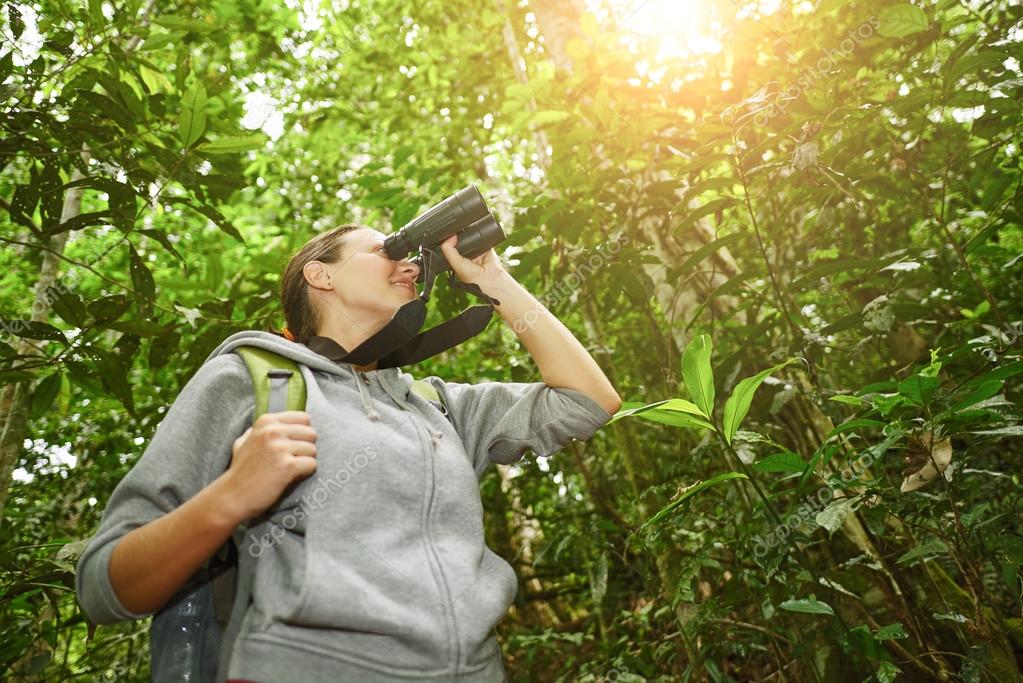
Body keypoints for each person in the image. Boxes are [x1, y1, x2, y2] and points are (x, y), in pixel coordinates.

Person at [75, 223, 622, 682]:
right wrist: (231, 497)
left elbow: (589, 401)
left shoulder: (437, 407)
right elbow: (106, 586)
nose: (410, 267)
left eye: (411, 259)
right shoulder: (251, 377)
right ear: (321, 274)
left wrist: (491, 277)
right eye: (388, 251)